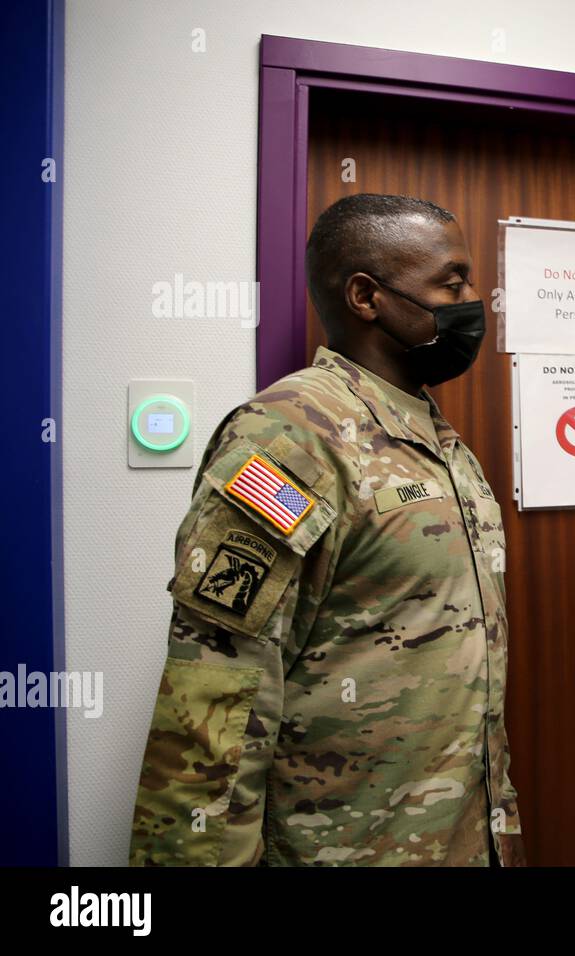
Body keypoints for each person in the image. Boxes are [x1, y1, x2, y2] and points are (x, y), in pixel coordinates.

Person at [128, 194, 524, 866]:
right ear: (367, 296)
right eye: (452, 282)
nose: (473, 299)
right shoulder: (292, 435)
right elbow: (219, 693)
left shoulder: (432, 433)